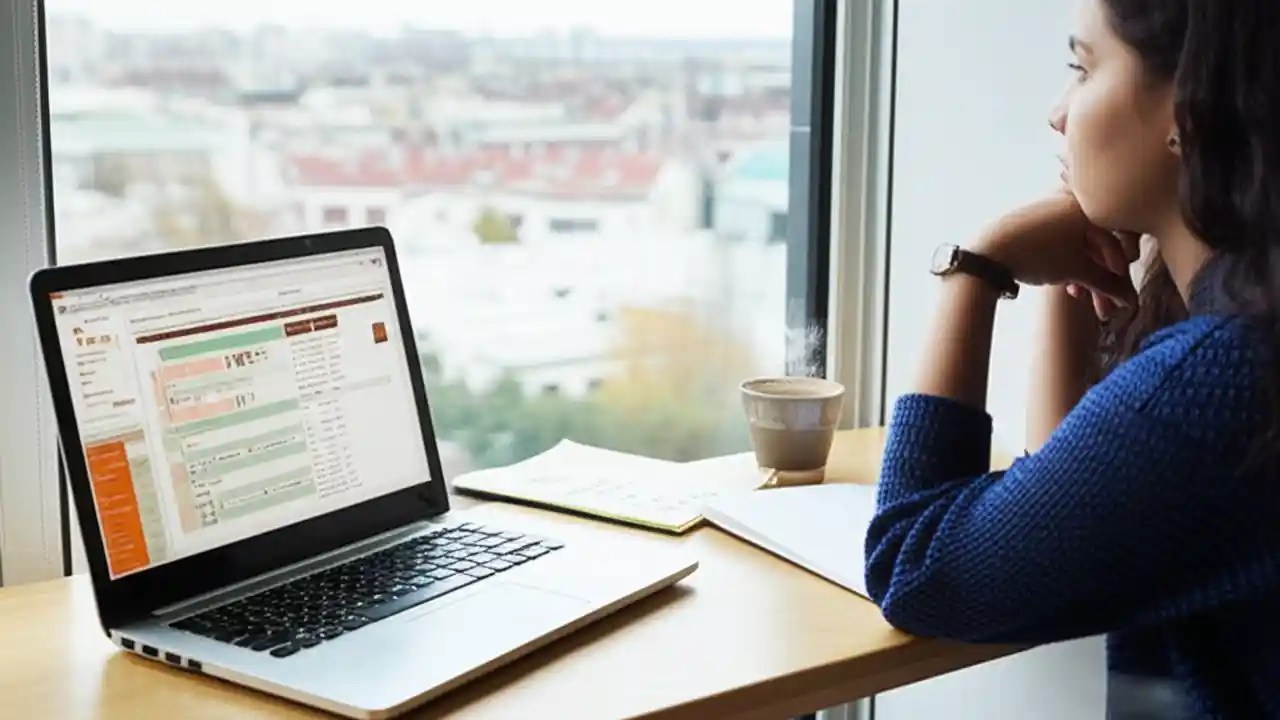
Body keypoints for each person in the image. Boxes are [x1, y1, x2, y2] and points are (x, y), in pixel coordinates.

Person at [863, 1, 1280, 718]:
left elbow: (914, 568)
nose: (1057, 113)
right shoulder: (1239, 329)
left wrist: (977, 268)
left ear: (1189, 107)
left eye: (1081, 70)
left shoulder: (1230, 373)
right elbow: (1072, 520)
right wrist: (1068, 280)